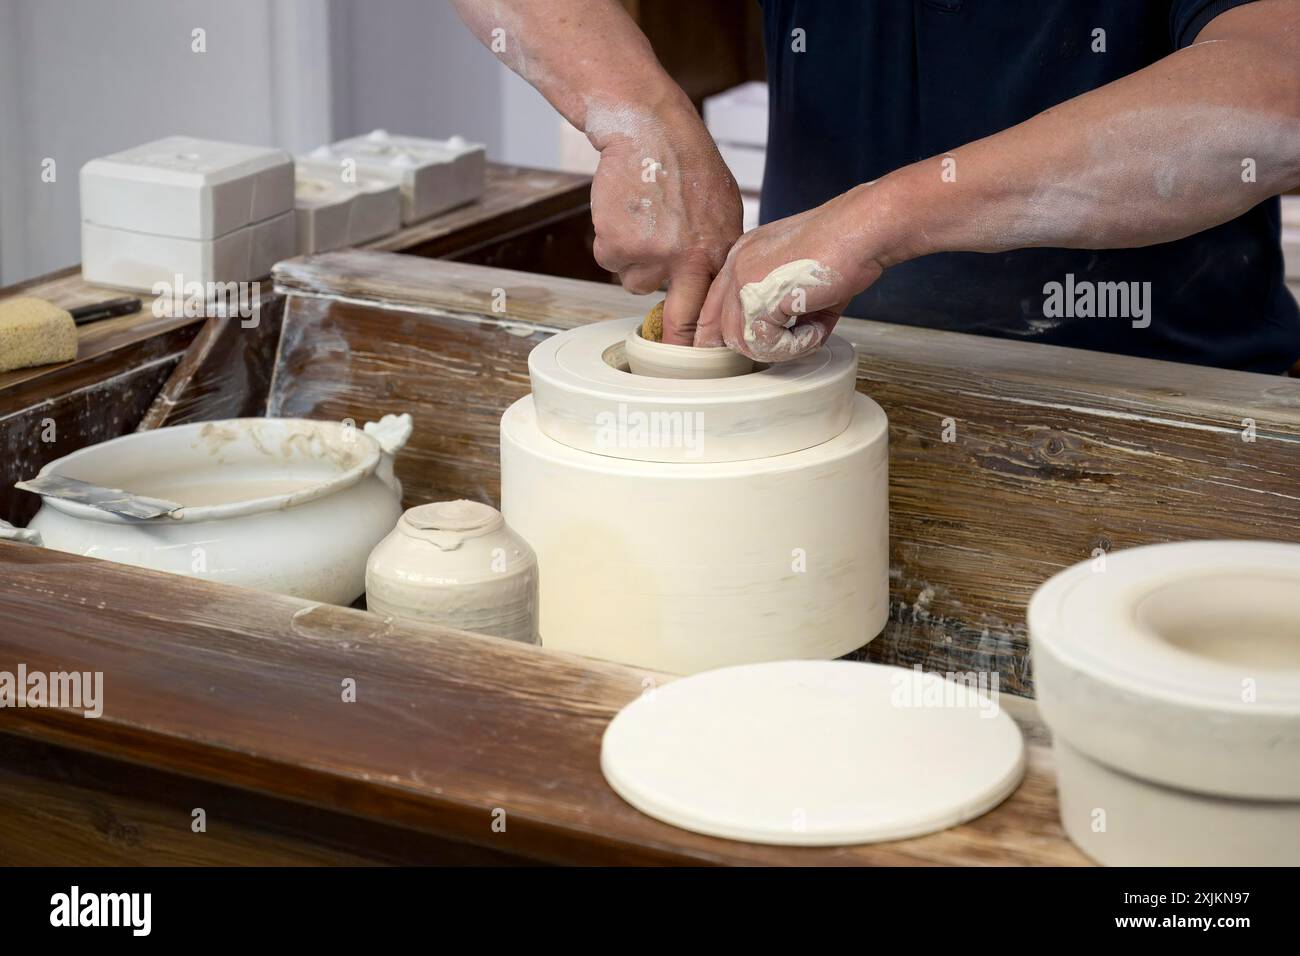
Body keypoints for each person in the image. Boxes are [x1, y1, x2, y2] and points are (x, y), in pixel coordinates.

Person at [453, 0, 1300, 373]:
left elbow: (1280, 90)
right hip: (812, 366)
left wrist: (886, 216)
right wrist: (638, 117)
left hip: (1160, 393)